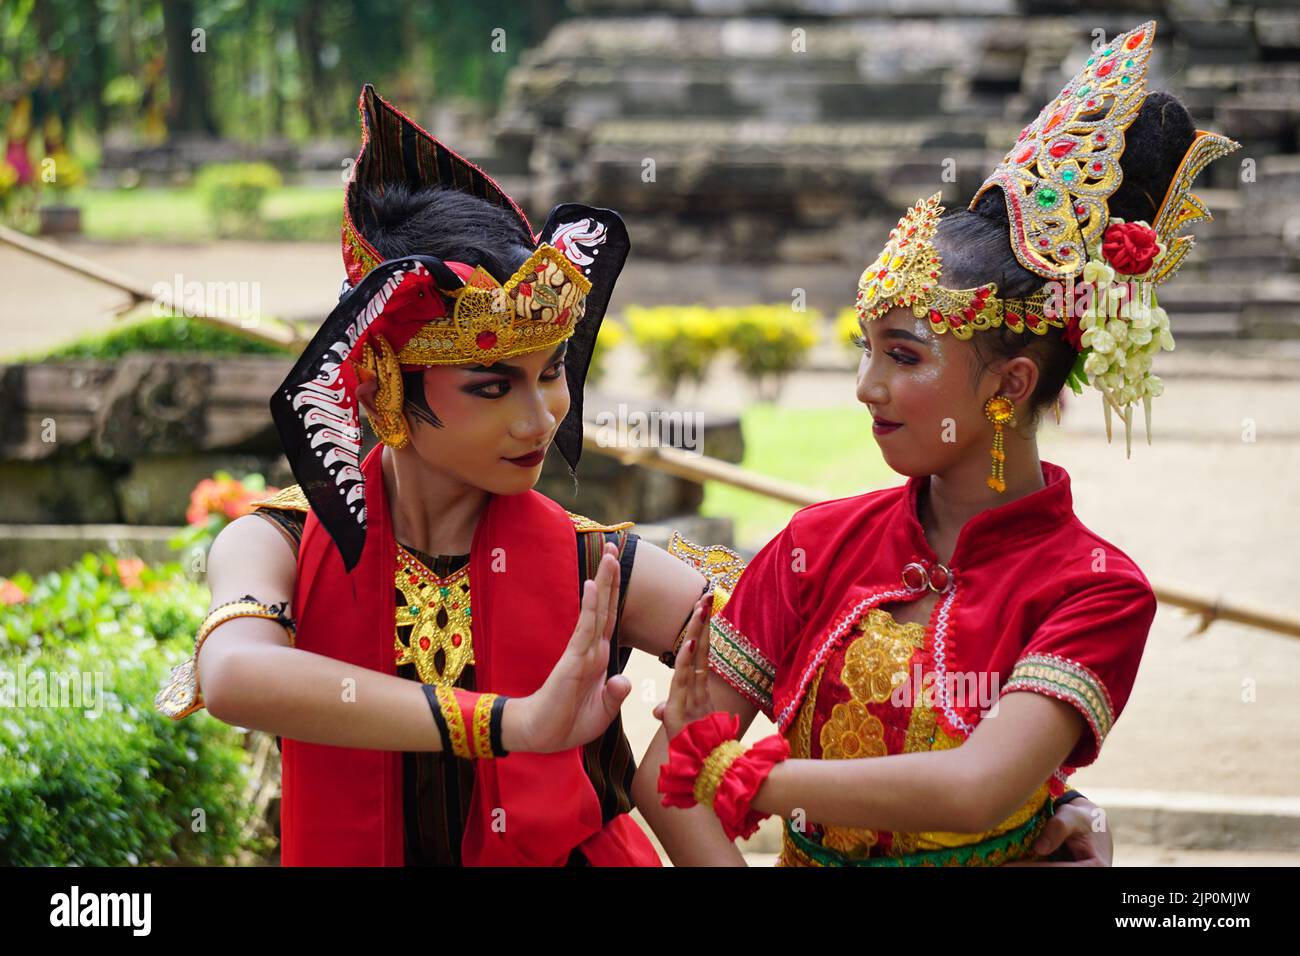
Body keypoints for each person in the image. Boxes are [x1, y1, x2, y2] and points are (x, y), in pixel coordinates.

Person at [156, 83, 1116, 867]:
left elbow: (856, 674)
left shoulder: (604, 573)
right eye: (493, 385)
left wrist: (1035, 803)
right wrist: (512, 725)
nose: (539, 417)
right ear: (380, 389)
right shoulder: (276, 543)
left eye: (550, 375)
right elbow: (236, 675)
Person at [642, 20, 1238, 866]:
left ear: (1010, 384)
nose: (866, 386)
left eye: (904, 355)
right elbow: (666, 771)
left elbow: (975, 786)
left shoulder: (1096, 591)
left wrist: (756, 778)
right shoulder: (817, 545)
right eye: (866, 347)